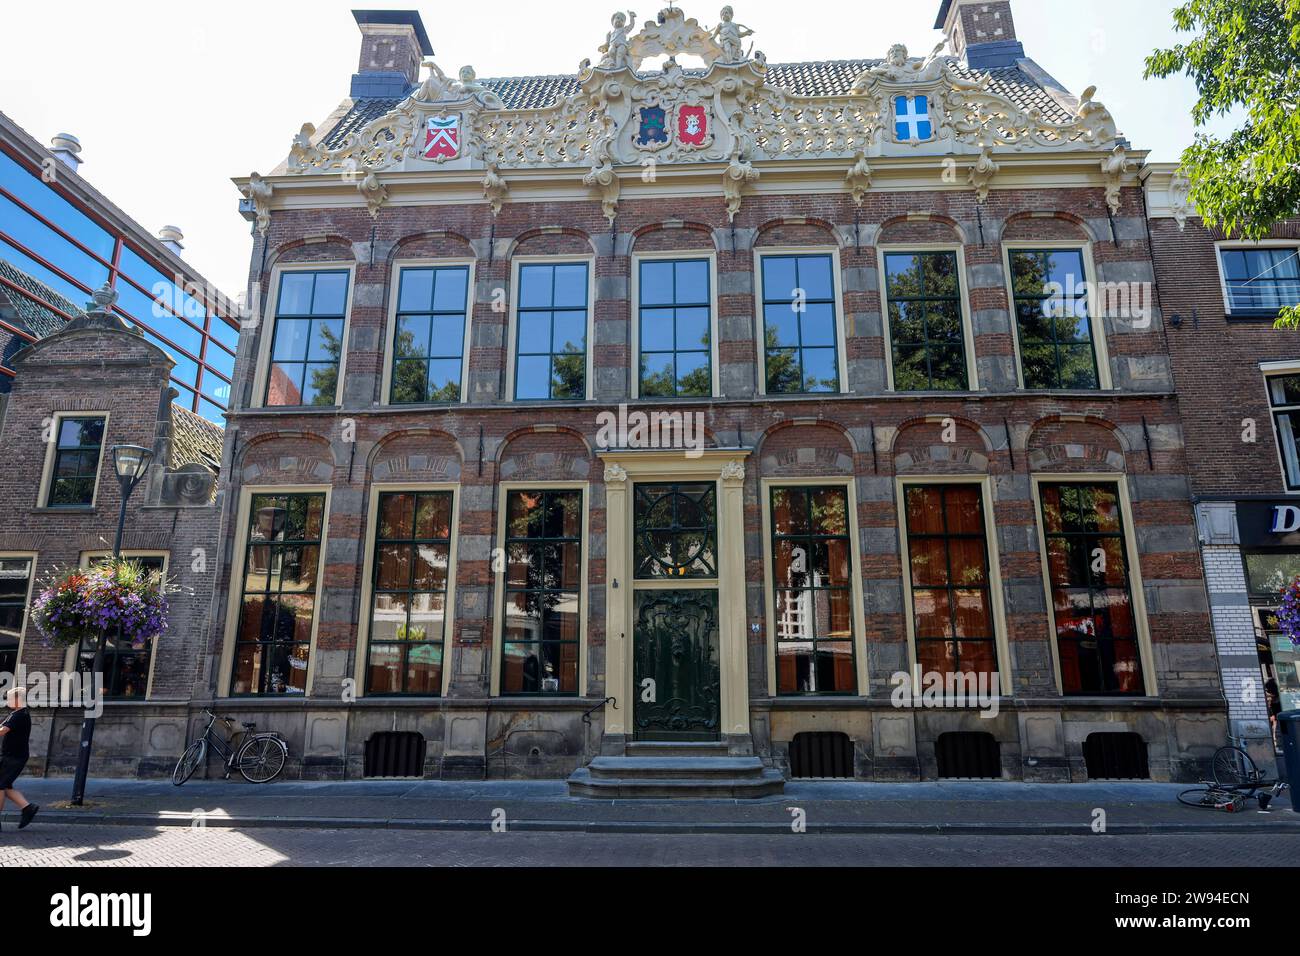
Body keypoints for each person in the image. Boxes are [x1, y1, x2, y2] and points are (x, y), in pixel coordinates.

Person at [0, 686, 38, 830]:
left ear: (17, 699)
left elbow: (3, 730)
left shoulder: (20, 715)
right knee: (6, 785)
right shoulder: (16, 713)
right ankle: (27, 808)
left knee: (0, 785)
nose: (7, 701)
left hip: (14, 757)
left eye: (9, 698)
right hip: (12, 756)